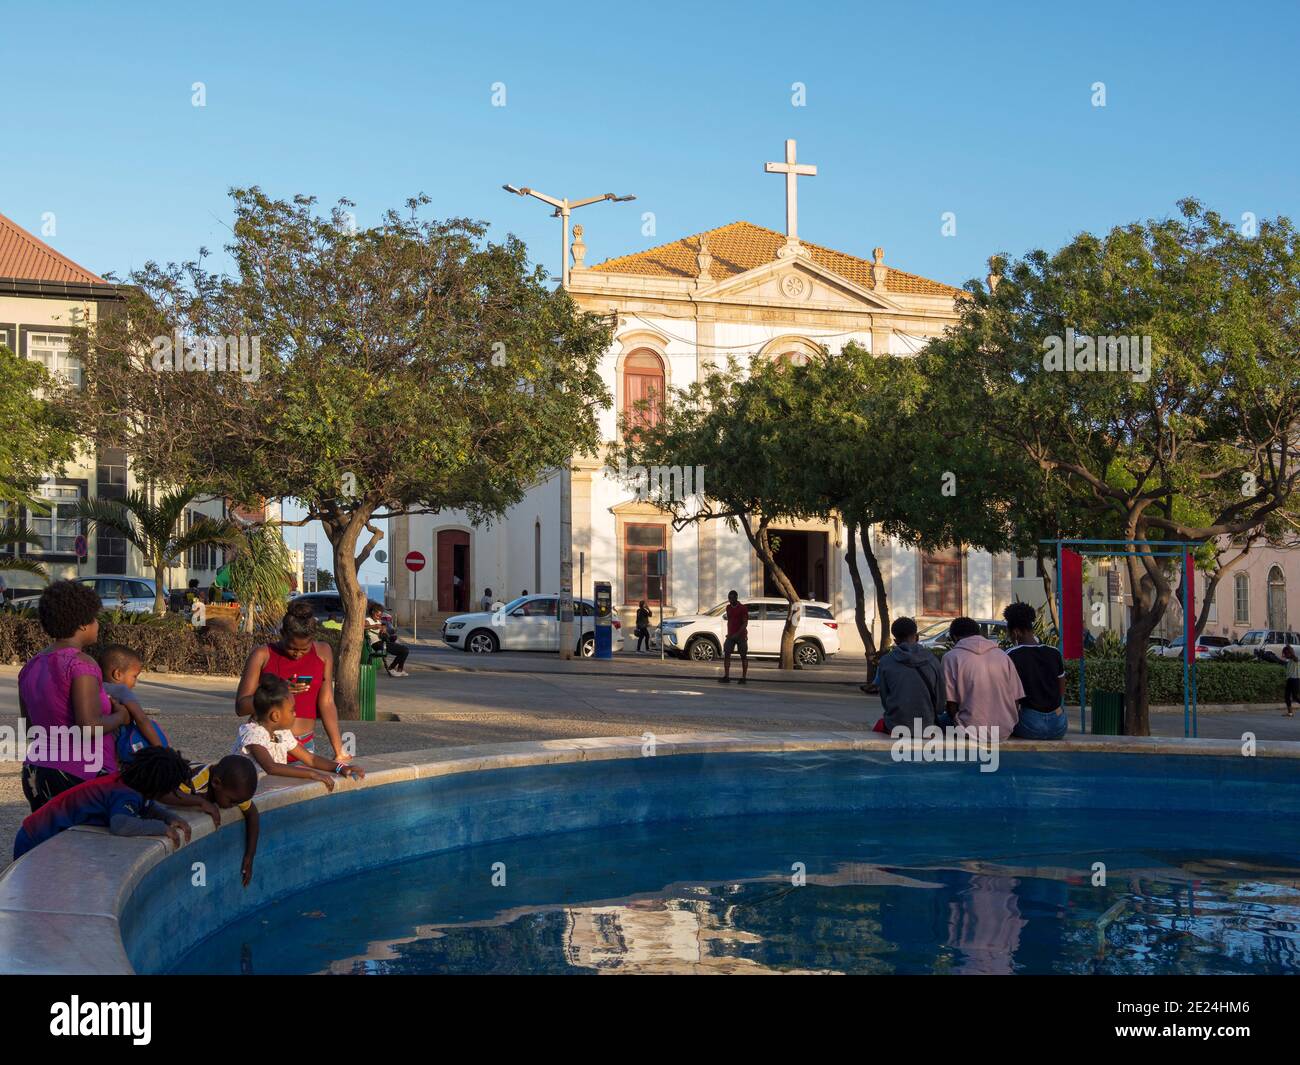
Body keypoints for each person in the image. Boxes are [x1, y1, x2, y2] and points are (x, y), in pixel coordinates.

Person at [18, 580, 133, 812]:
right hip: (79, 773)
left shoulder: (29, 667)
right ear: (82, 624)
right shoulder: (81, 664)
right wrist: (121, 716)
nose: (97, 624)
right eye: (94, 618)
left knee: (50, 845)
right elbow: (88, 726)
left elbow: (30, 728)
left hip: (36, 772)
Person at [13, 746, 194, 861]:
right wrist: (161, 827)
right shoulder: (124, 794)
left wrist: (170, 818)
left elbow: (147, 806)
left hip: (36, 832)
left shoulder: (127, 784)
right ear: (157, 785)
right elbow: (121, 825)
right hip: (36, 838)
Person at [235, 600, 349, 762]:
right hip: (266, 744)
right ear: (282, 634)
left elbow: (327, 702)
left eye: (304, 649)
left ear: (312, 639)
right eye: (291, 648)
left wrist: (339, 750)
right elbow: (241, 707)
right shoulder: (262, 654)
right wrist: (279, 692)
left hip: (304, 745)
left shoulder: (323, 652)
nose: (297, 654)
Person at [234, 676, 366, 786]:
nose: (295, 713)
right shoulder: (253, 733)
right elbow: (271, 767)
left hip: (265, 787)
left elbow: (310, 759)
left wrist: (340, 768)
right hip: (243, 789)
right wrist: (311, 774)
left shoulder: (281, 733)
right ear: (275, 716)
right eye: (292, 710)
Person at [162, 754, 260, 885]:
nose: (234, 806)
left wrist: (250, 855)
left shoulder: (231, 788)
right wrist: (201, 802)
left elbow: (252, 814)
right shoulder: (195, 780)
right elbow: (163, 793)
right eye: (233, 801)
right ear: (216, 783)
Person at [940, 616, 1023, 736]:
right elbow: (1016, 698)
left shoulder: (951, 657)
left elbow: (950, 702)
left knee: (935, 722)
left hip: (970, 729)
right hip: (1004, 729)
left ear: (954, 638)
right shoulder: (1003, 656)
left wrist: (958, 722)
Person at [1003, 602, 1068, 739]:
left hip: (1030, 725)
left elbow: (1009, 697)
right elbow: (1062, 688)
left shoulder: (1010, 655)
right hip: (1059, 725)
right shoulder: (1054, 652)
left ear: (1015, 632)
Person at [875, 617, 946, 731]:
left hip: (895, 725)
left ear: (896, 640)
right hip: (927, 725)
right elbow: (940, 705)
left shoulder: (886, 662)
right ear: (917, 637)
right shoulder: (933, 660)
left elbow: (885, 699)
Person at [98, 644, 166, 761]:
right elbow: (141, 719)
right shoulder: (121, 690)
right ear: (118, 674)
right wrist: (161, 750)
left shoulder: (96, 688)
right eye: (134, 676)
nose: (135, 682)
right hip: (121, 749)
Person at [365, 603, 410, 676]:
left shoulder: (378, 621)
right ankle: (392, 669)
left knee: (405, 649)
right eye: (377, 615)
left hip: (382, 642)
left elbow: (382, 632)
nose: (379, 617)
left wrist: (383, 630)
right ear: (373, 612)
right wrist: (373, 626)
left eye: (380, 616)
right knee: (404, 650)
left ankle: (399, 670)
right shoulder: (368, 620)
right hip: (376, 644)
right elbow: (361, 627)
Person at [718, 590, 749, 684]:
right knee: (727, 654)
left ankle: (743, 677)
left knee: (743, 655)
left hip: (741, 635)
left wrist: (738, 633)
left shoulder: (743, 608)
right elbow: (730, 621)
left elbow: (745, 623)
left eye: (732, 598)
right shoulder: (728, 608)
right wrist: (729, 633)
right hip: (730, 635)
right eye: (729, 598)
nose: (730, 600)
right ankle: (726, 676)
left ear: (736, 597)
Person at [1284, 645, 1300, 718]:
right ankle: (1290, 713)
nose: (1285, 655)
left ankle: (1290, 712)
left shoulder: (1295, 659)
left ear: (1290, 653)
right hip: (1289, 680)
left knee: (1295, 697)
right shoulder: (1289, 661)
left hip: (1295, 680)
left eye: (1286, 654)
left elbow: (1294, 657)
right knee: (1287, 696)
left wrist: (1289, 648)